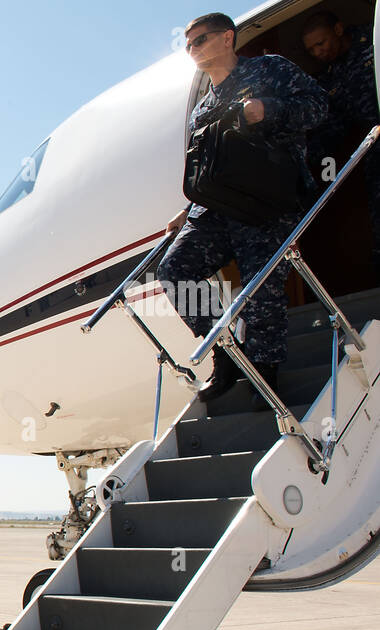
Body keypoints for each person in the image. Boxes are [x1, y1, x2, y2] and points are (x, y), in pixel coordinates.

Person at [157, 12, 327, 400]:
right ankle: (226, 354)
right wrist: (188, 210)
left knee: (261, 286)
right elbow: (209, 166)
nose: (192, 50)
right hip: (218, 207)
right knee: (175, 268)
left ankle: (264, 373)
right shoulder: (202, 109)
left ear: (227, 38)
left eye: (200, 40)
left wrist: (269, 109)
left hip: (266, 199)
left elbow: (317, 105)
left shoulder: (269, 70)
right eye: (187, 45)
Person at [302, 10, 380, 277]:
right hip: (374, 152)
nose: (318, 53)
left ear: (337, 30)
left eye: (320, 43)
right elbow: (332, 129)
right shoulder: (329, 80)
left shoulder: (373, 37)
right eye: (311, 49)